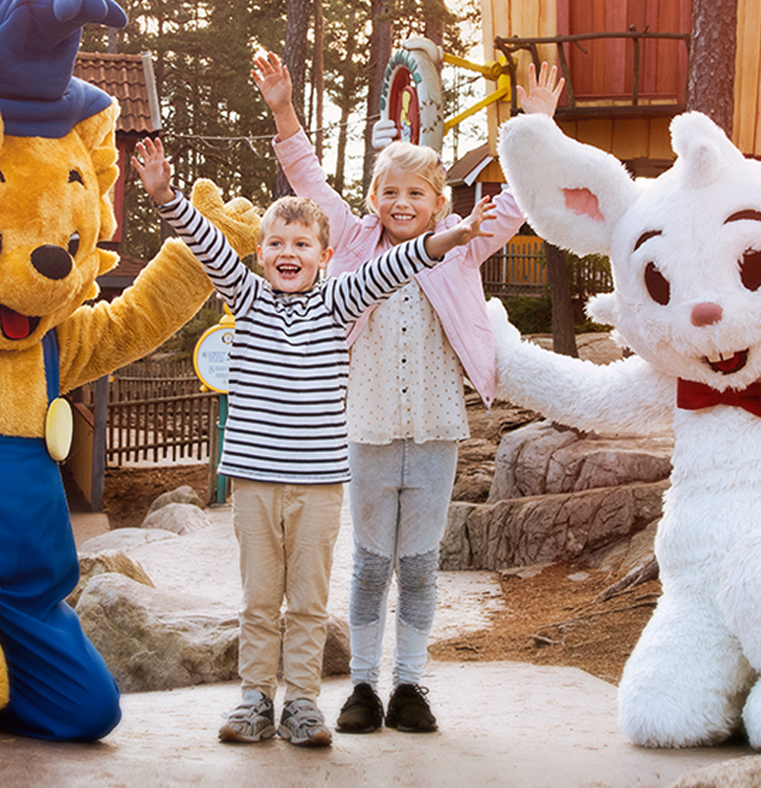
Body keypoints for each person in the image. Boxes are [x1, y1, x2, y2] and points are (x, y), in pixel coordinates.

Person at [132, 137, 499, 747]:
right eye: (276, 244)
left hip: (320, 486)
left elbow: (396, 265)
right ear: (258, 253)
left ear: (326, 255)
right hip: (254, 485)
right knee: (258, 599)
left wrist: (449, 239)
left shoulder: (337, 304)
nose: (287, 253)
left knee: (306, 601)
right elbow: (205, 243)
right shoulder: (245, 300)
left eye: (301, 245)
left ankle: (301, 703)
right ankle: (254, 700)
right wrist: (166, 194)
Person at [253, 51, 561, 734]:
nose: (402, 204)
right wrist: (283, 109)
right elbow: (306, 174)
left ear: (439, 204)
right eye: (390, 192)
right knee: (368, 562)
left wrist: (534, 127)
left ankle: (411, 686)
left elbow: (514, 204)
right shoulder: (352, 244)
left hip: (435, 430)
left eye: (417, 195)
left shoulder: (462, 246)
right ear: (372, 200)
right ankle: (363, 685)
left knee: (419, 564)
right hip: (363, 427)